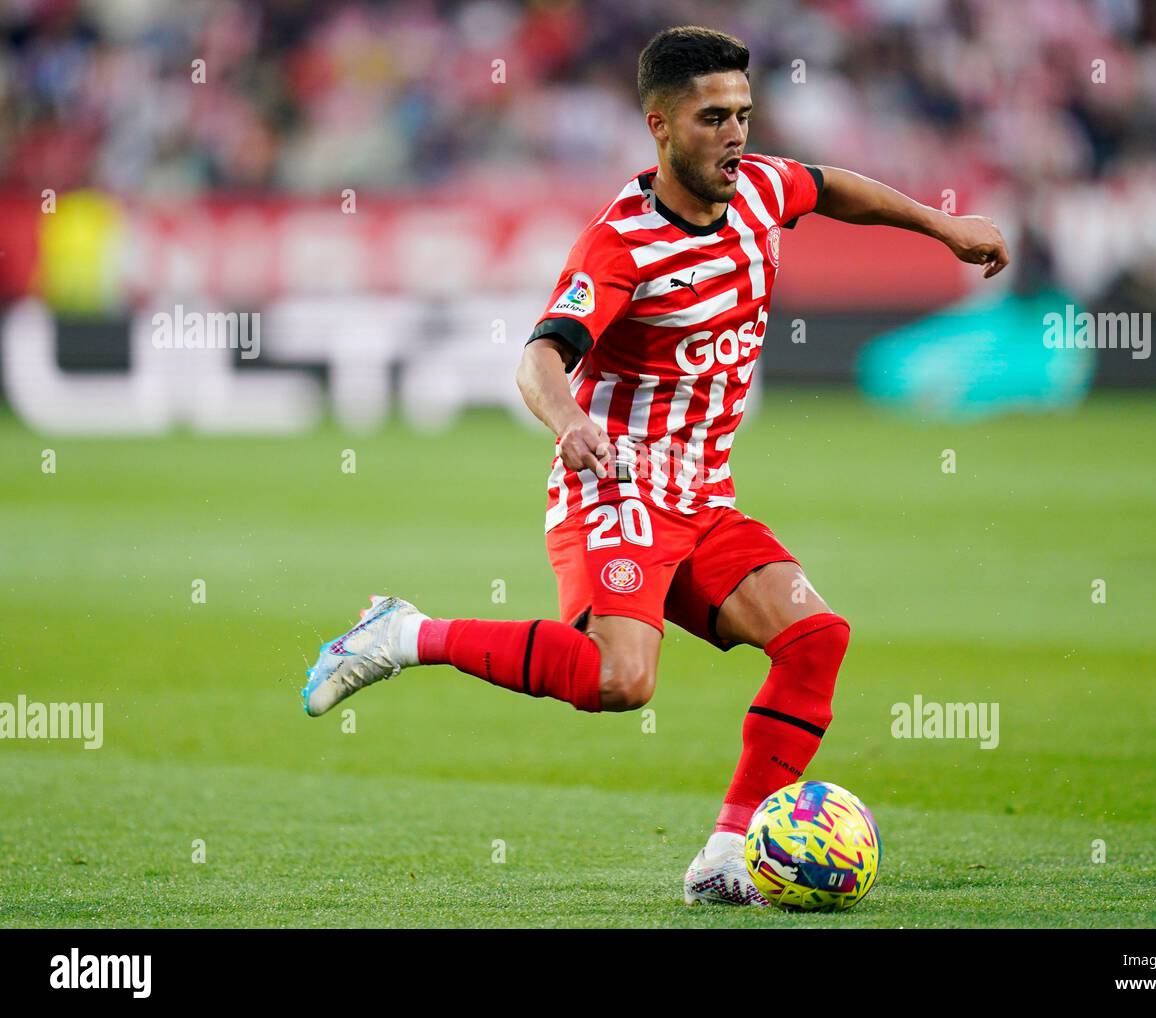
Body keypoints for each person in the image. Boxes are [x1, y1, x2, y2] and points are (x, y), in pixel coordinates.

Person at [300, 25, 1009, 906]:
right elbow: (539, 357)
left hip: (704, 497)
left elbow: (833, 189)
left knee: (816, 639)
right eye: (714, 119)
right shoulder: (621, 243)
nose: (737, 136)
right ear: (661, 126)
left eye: (744, 115)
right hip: (618, 483)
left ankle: (725, 854)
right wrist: (567, 425)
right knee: (619, 679)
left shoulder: (761, 190)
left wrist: (943, 227)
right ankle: (401, 634)